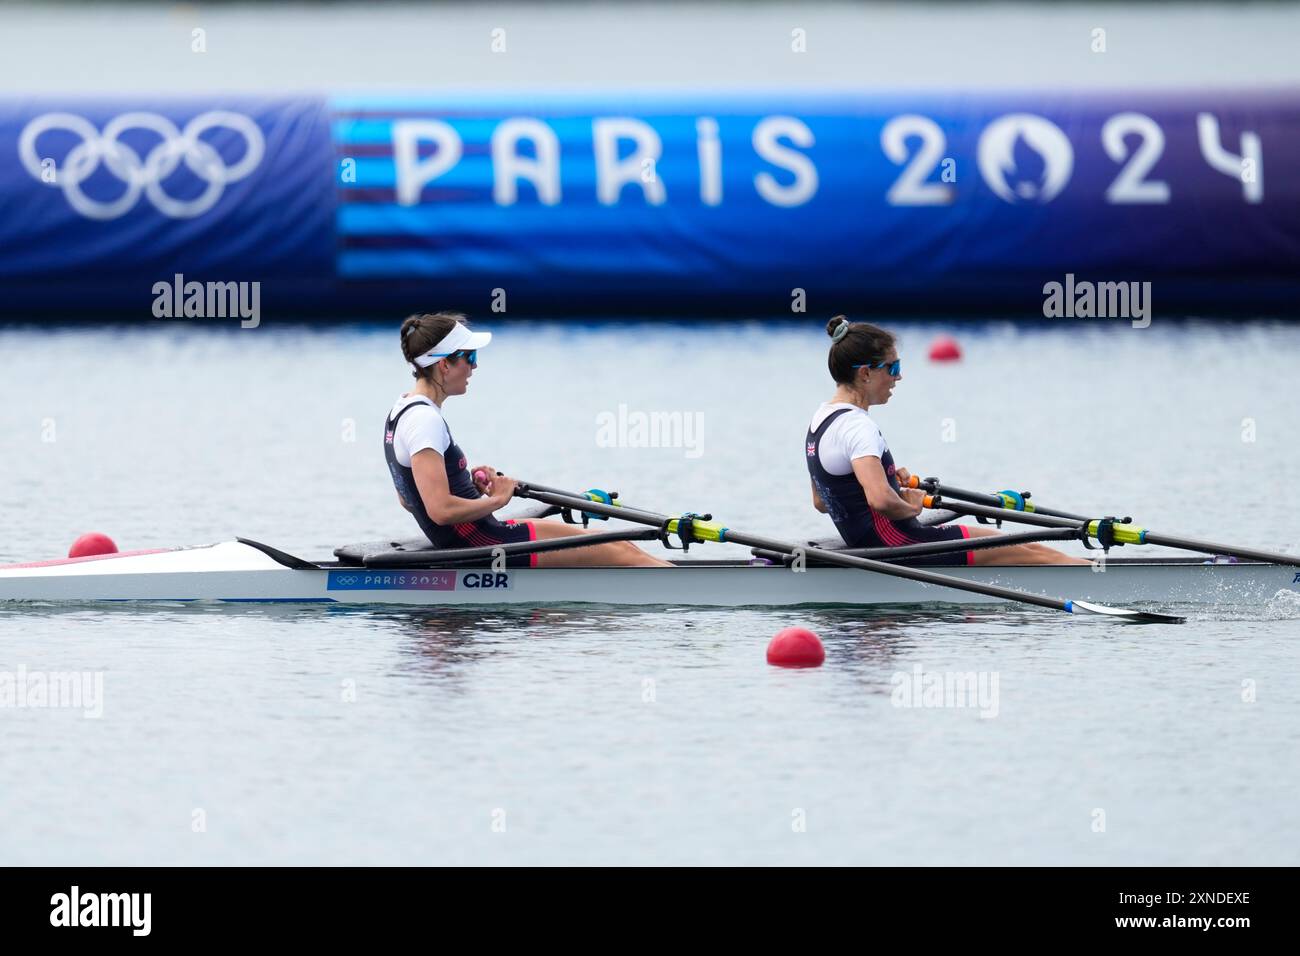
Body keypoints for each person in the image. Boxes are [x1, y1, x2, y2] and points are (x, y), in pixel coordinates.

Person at [386, 312, 670, 568]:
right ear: (444, 365)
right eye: (469, 357)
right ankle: (687, 595)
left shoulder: (402, 410)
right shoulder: (425, 421)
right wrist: (498, 500)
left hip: (478, 535)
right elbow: (440, 511)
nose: (475, 367)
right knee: (625, 554)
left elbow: (408, 498)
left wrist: (467, 488)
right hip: (482, 543)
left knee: (620, 545)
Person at [807, 316, 1089, 566]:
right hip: (900, 544)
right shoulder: (859, 427)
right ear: (865, 373)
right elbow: (880, 500)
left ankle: (1089, 571)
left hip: (883, 541)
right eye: (893, 367)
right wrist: (912, 506)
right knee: (1042, 558)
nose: (899, 376)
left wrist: (887, 479)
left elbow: (822, 500)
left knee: (1030, 548)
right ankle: (1101, 584)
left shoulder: (820, 420)